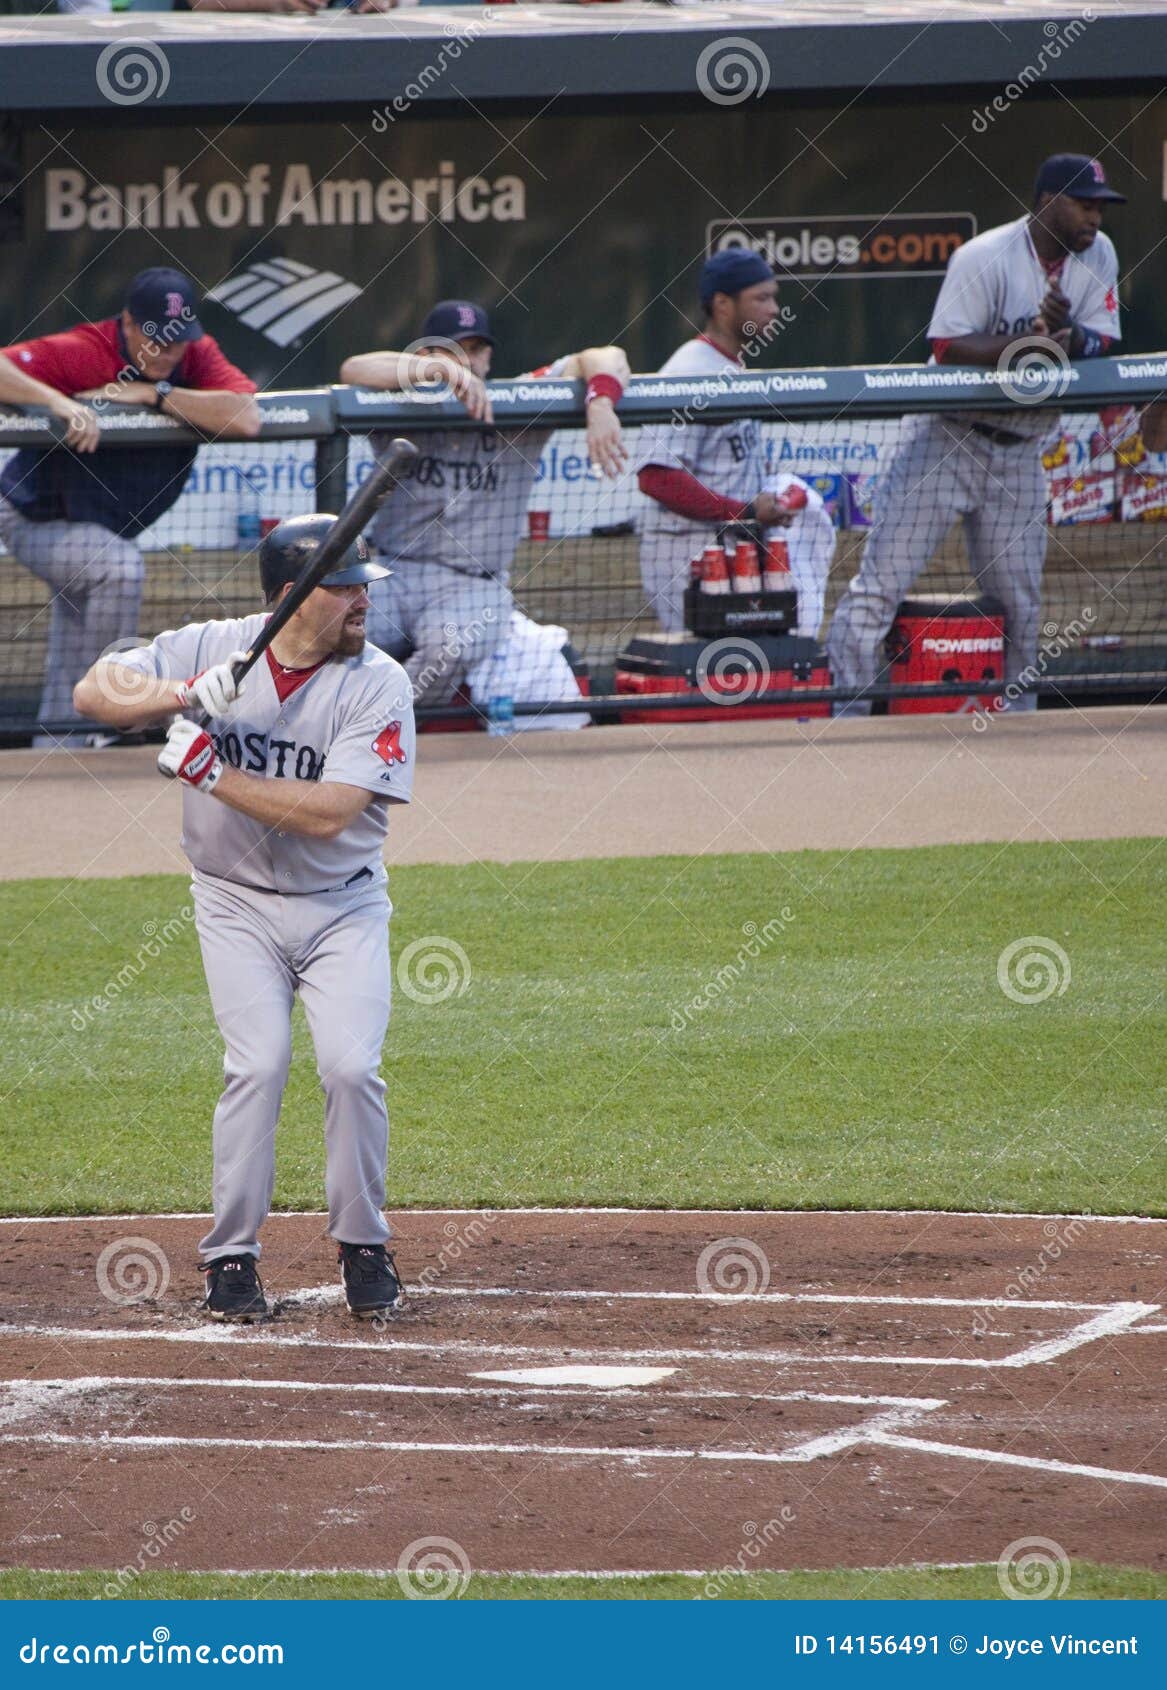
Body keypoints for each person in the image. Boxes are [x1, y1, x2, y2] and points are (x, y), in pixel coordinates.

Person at [72, 515, 415, 1324]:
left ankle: (363, 1243)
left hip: (343, 905)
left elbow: (332, 813)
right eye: (345, 586)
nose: (363, 600)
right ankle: (230, 1259)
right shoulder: (212, 644)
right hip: (233, 901)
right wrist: (182, 695)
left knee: (349, 1067)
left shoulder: (378, 680)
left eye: (365, 584)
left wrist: (210, 772)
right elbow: (94, 690)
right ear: (291, 595)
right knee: (256, 1066)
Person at [827, 153, 1124, 715]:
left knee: (1021, 606)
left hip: (1020, 452)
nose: (1095, 219)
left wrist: (1068, 337)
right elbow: (948, 346)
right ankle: (848, 717)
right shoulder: (985, 255)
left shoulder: (1100, 256)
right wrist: (1029, 349)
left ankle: (1019, 724)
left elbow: (1105, 344)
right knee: (878, 590)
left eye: (1100, 208)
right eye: (1084, 205)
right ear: (1048, 202)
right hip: (948, 440)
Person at [0, 267, 259, 745]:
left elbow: (247, 417)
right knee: (118, 569)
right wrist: (56, 402)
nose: (168, 351)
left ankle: (62, 745)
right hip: (32, 514)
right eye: (156, 340)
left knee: (81, 627)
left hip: (97, 526)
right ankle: (110, 716)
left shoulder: (195, 357)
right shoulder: (88, 349)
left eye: (178, 341)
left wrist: (155, 394)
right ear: (128, 324)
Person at [340, 301, 629, 708]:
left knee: (449, 649)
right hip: (394, 573)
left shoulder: (518, 403)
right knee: (328, 631)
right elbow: (353, 368)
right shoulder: (399, 403)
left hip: (473, 584)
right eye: (454, 350)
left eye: (476, 350)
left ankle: (377, 726)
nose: (468, 361)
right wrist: (444, 371)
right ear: (422, 357)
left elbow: (604, 356)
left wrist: (600, 402)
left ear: (489, 357)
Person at [636, 250, 830, 635]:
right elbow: (656, 477)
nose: (774, 309)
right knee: (704, 675)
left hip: (728, 546)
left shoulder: (731, 366)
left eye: (773, 297)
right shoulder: (690, 371)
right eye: (760, 298)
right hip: (687, 552)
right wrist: (744, 510)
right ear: (723, 304)